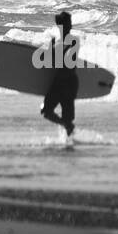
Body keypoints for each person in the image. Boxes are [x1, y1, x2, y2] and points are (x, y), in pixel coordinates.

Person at [41, 10, 79, 138]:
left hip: (69, 83)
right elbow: (49, 61)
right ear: (61, 26)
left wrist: (51, 50)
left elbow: (66, 60)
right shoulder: (56, 43)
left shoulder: (73, 41)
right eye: (68, 24)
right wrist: (49, 50)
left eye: (70, 23)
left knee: (68, 118)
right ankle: (67, 127)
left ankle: (69, 143)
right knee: (46, 111)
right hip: (58, 82)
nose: (70, 26)